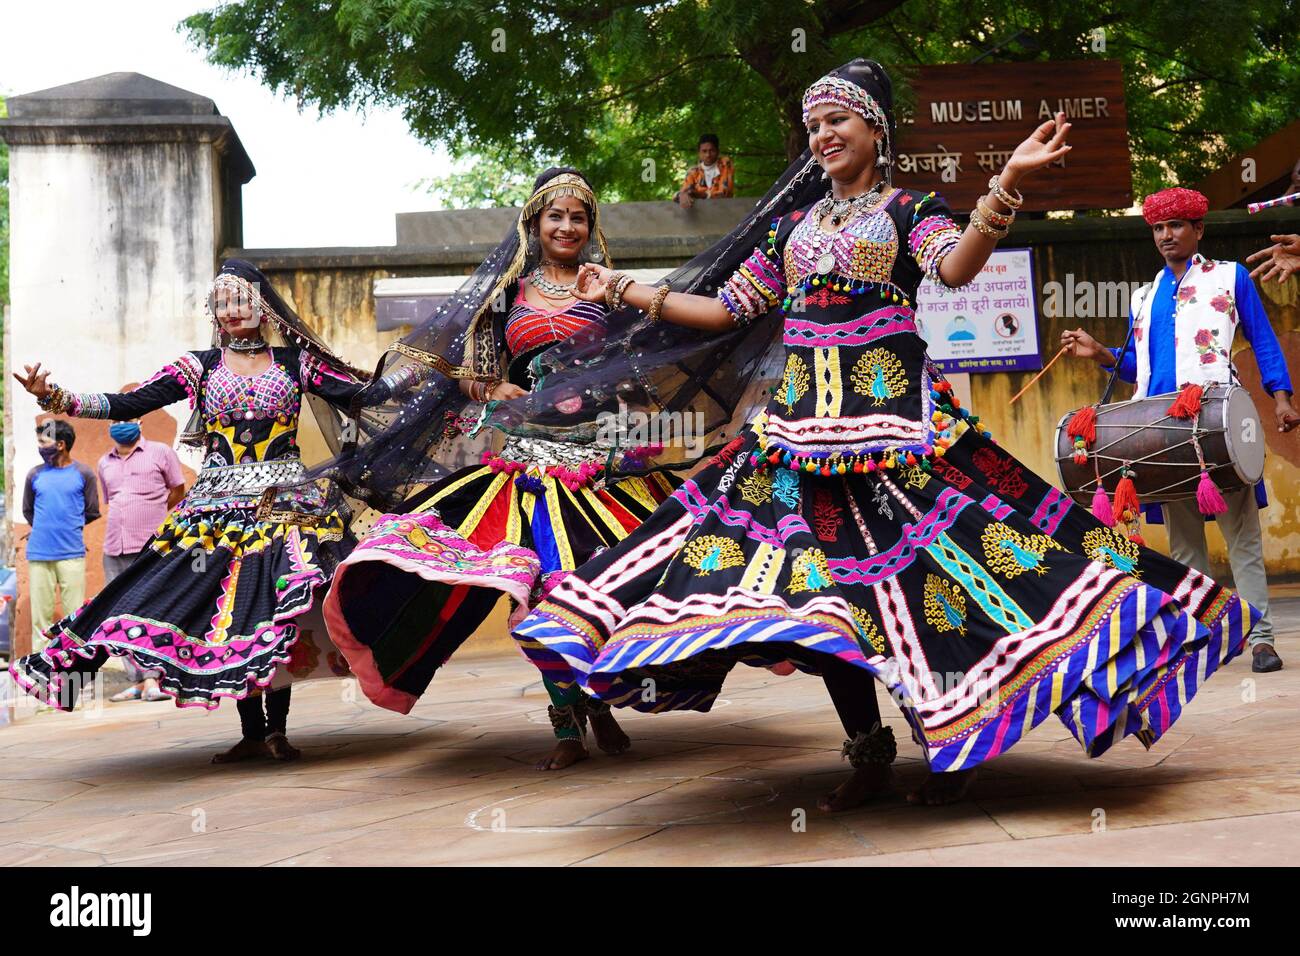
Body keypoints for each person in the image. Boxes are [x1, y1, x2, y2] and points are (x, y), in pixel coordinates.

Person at [512, 59, 1256, 811]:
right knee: (823, 604)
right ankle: (868, 755)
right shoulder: (790, 229)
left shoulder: (909, 210)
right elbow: (725, 311)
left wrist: (1007, 184)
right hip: (798, 444)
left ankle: (957, 743)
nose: (823, 136)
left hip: (900, 438)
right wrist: (629, 289)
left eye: (837, 121)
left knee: (939, 587)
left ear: (875, 128)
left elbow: (959, 269)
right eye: (812, 127)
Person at [323, 168, 676, 771]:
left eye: (579, 217)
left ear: (591, 227)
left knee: (603, 586)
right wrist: (490, 388)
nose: (567, 227)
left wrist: (634, 418)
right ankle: (566, 723)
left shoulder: (609, 287)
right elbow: (456, 370)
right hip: (526, 468)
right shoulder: (504, 295)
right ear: (534, 224)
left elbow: (640, 373)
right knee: (536, 592)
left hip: (602, 462)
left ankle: (600, 703)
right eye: (555, 216)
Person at [9, 260, 416, 761]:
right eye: (221, 300)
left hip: (285, 508)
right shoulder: (198, 366)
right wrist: (56, 396)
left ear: (262, 304)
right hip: (214, 514)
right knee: (227, 616)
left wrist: (432, 373)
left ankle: (277, 732)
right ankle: (251, 733)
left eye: (240, 297)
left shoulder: (296, 364)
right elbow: (127, 405)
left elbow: (364, 395)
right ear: (213, 312)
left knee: (275, 611)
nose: (231, 308)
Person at [1062, 187, 1298, 674]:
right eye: (1158, 228)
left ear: (1198, 230)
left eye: (1176, 226)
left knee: (1242, 538)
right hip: (1158, 433)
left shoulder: (1230, 277)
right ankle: (1202, 639)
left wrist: (1281, 398)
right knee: (1186, 544)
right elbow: (1142, 371)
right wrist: (1102, 353)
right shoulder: (1143, 296)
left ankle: (1262, 638)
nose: (1166, 235)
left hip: (1215, 421)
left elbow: (1263, 339)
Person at [98, 418, 185, 702]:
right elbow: (112, 501)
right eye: (116, 420)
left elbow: (178, 491)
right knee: (117, 614)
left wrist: (154, 513)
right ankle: (137, 681)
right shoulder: (104, 463)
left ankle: (153, 679)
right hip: (114, 547)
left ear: (140, 422)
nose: (121, 425)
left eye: (127, 419)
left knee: (153, 610)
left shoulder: (160, 452)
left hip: (151, 547)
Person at [23, 419, 99, 652]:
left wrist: (68, 527)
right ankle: (40, 667)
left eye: (43, 441)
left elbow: (92, 511)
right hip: (39, 554)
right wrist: (46, 529)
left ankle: (72, 664)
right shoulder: (34, 474)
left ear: (61, 444)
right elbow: (28, 510)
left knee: (74, 616)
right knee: (41, 619)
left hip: (71, 554)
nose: (40, 446)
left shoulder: (84, 473)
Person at [675, 134, 734, 208]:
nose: (708, 155)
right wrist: (681, 195)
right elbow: (685, 191)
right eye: (704, 151)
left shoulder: (725, 164)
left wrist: (701, 194)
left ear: (718, 151)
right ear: (699, 153)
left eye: (711, 151)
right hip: (700, 213)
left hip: (723, 210)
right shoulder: (693, 171)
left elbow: (725, 193)